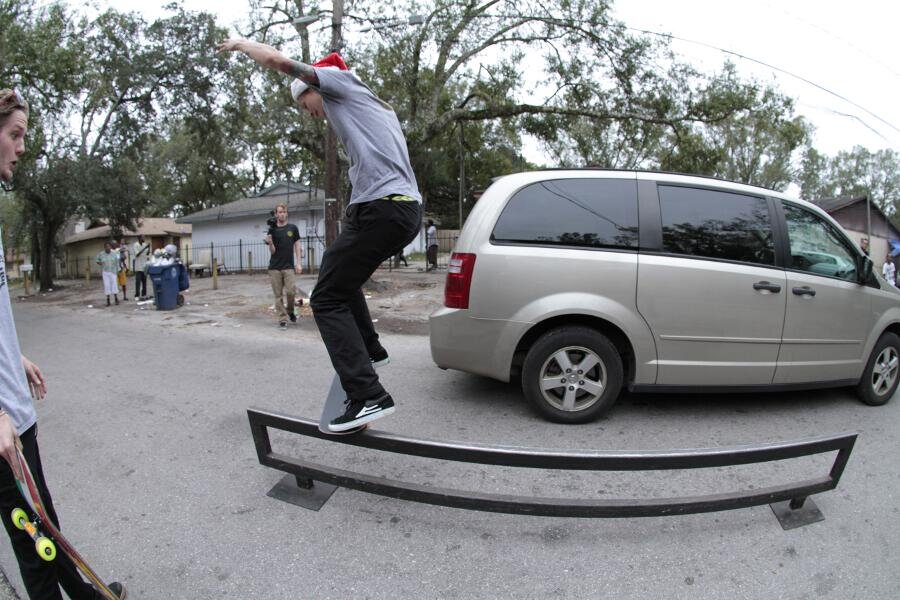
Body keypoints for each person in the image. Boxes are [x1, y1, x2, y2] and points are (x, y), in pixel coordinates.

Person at [217, 40, 422, 432]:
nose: (309, 114)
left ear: (312, 89)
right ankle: (372, 351)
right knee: (338, 277)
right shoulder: (371, 106)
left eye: (303, 105)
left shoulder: (338, 83)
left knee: (325, 297)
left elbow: (278, 61)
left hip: (382, 209)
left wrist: (243, 45)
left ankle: (368, 396)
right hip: (395, 210)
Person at [0, 89, 127, 598]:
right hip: (2, 425)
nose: (22, 147)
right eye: (15, 135)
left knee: (43, 521)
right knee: (35, 546)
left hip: (13, 408)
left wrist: (15, 356)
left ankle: (86, 595)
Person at [265, 203, 303, 329]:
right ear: (276, 214)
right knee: (278, 295)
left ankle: (290, 311)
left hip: (289, 266)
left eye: (284, 211)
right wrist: (270, 243)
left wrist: (298, 263)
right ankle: (282, 319)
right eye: (279, 212)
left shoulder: (293, 228)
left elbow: (297, 246)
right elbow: (272, 251)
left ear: (287, 213)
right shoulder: (272, 230)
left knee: (291, 292)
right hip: (274, 268)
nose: (282, 214)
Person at [96, 242, 120, 306]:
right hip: (105, 272)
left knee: (114, 285)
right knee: (107, 285)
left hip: (113, 272)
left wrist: (118, 270)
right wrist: (101, 264)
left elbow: (117, 263)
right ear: (104, 248)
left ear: (110, 247)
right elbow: (97, 260)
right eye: (106, 247)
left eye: (109, 246)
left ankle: (116, 299)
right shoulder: (101, 254)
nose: (108, 248)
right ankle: (108, 300)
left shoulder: (114, 254)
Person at [132, 235, 150, 300]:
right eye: (143, 238)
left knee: (144, 281)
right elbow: (137, 254)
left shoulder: (144, 244)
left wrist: (149, 247)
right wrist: (145, 248)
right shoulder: (135, 245)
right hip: (138, 266)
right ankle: (137, 295)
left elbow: (147, 254)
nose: (144, 238)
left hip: (144, 266)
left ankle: (144, 294)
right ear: (139, 238)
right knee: (138, 282)